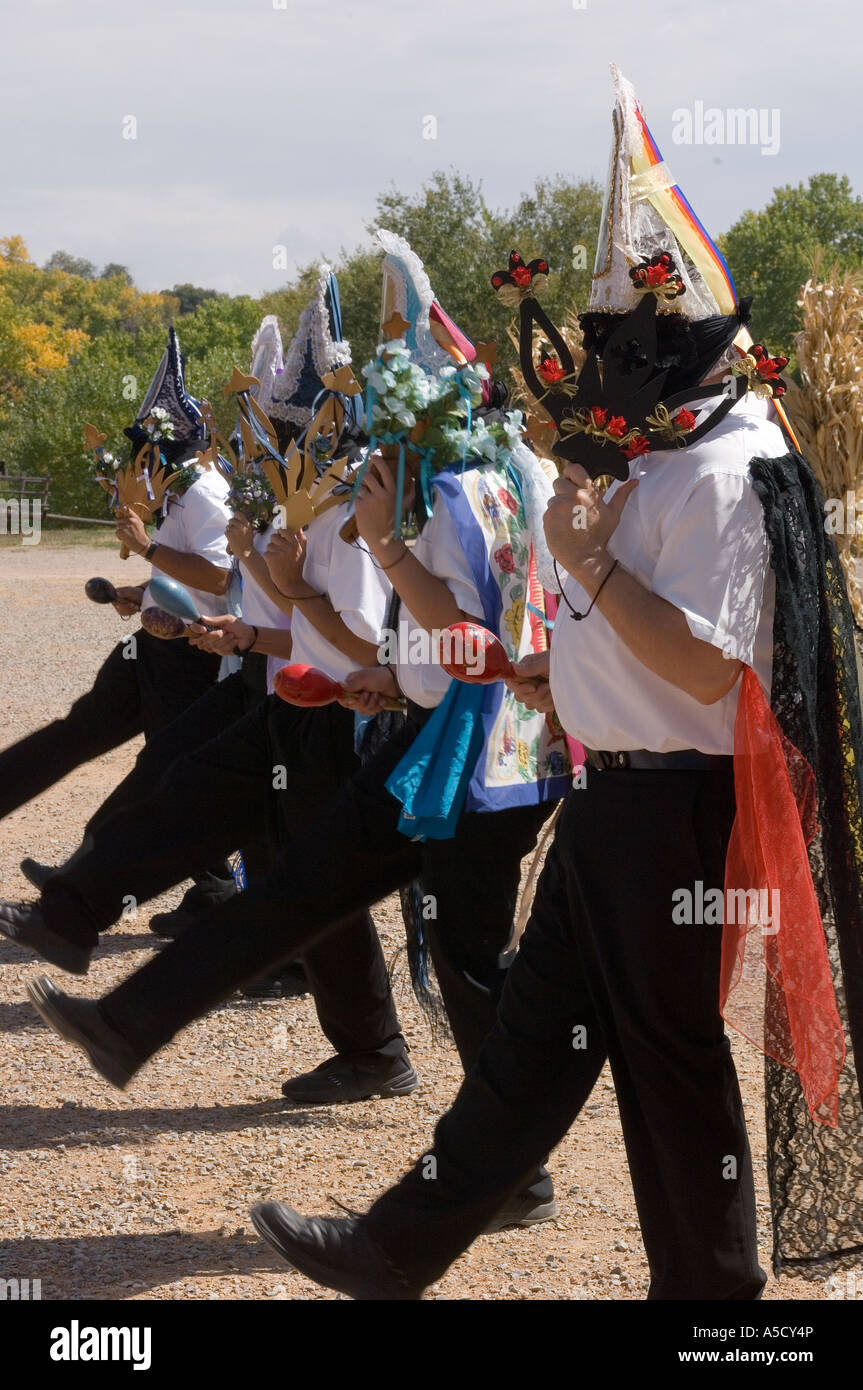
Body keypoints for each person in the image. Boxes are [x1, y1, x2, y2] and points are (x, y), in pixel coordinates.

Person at [240, 65, 863, 1299]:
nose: (599, 374)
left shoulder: (734, 469)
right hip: (616, 800)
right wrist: (552, 672)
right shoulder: (662, 452)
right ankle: (386, 1252)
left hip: (674, 816)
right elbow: (630, 638)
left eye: (622, 348)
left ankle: (715, 1302)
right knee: (532, 1045)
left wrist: (581, 562)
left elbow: (701, 659)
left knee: (665, 1062)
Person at [13, 232, 571, 1229]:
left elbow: (458, 629)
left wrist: (382, 560)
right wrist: (379, 682)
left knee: (465, 962)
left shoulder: (440, 498)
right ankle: (129, 1018)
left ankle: (500, 1168)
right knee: (310, 895)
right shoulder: (498, 482)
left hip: (469, 763)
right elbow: (443, 642)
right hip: (441, 743)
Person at [1, 328, 237, 911]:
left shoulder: (204, 493)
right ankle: (209, 886)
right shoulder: (176, 492)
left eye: (145, 448)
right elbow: (189, 577)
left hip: (191, 656)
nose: (139, 458)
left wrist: (149, 551)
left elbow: (221, 578)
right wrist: (142, 589)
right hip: (155, 648)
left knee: (161, 772)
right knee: (85, 733)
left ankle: (83, 890)